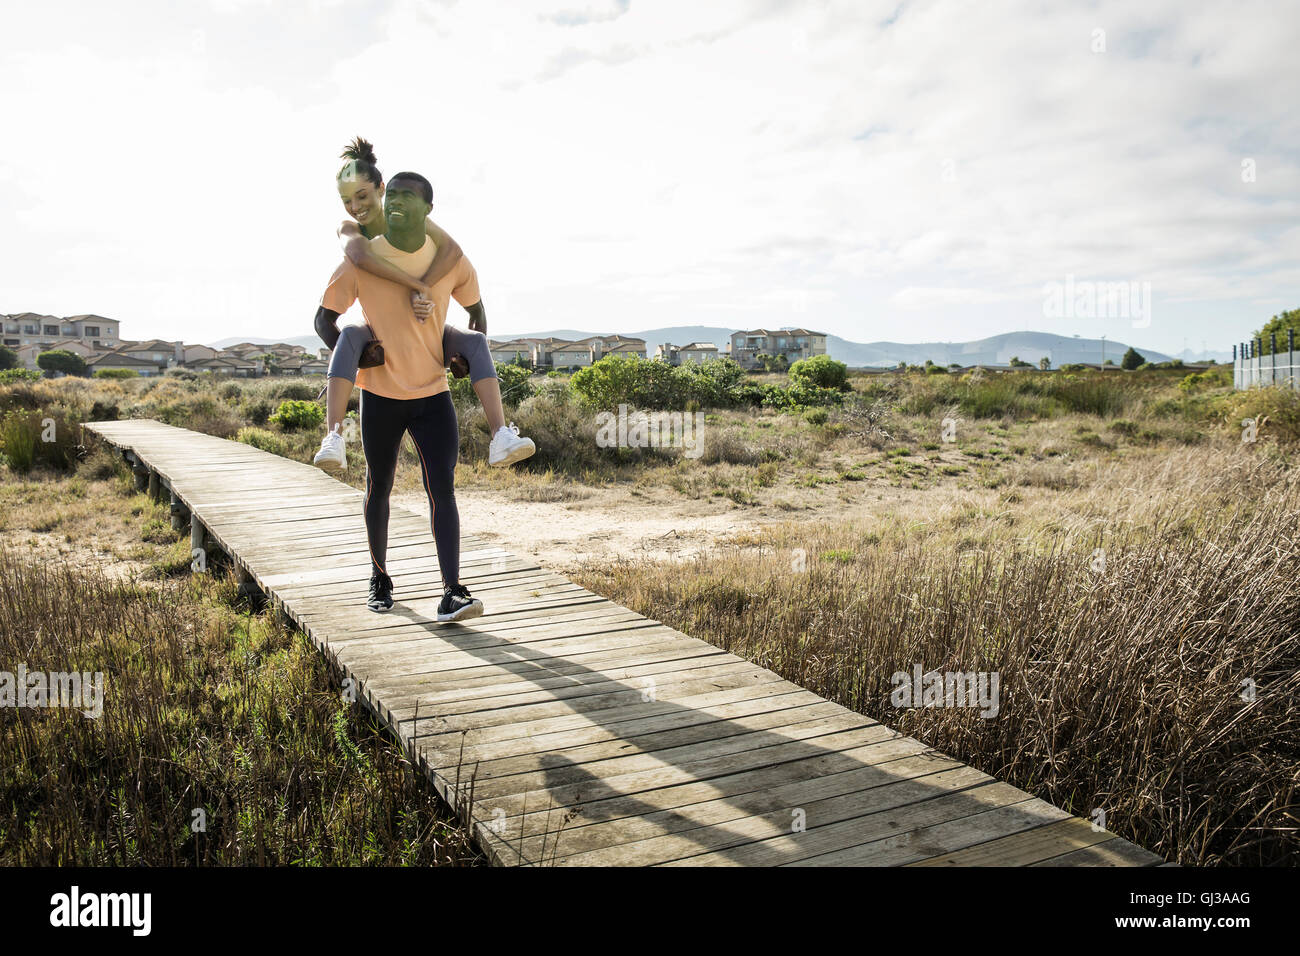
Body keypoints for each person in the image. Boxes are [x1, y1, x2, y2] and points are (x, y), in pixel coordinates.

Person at [314, 170, 484, 621]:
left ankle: (452, 591)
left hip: (434, 396)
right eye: (397, 197)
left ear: (428, 210)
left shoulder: (448, 261)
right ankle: (380, 577)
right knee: (379, 487)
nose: (399, 205)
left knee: (442, 490)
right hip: (382, 398)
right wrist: (356, 359)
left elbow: (478, 313)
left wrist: (463, 361)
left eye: (412, 198)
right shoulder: (362, 259)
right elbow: (323, 321)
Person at [312, 137, 534, 471]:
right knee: (351, 335)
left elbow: (453, 251)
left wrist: (428, 290)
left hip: (426, 343)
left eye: (363, 195)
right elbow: (359, 255)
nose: (356, 206)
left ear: (381, 190)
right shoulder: (350, 229)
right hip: (378, 332)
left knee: (474, 342)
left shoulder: (417, 225)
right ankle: (334, 437)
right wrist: (415, 287)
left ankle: (501, 435)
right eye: (347, 200)